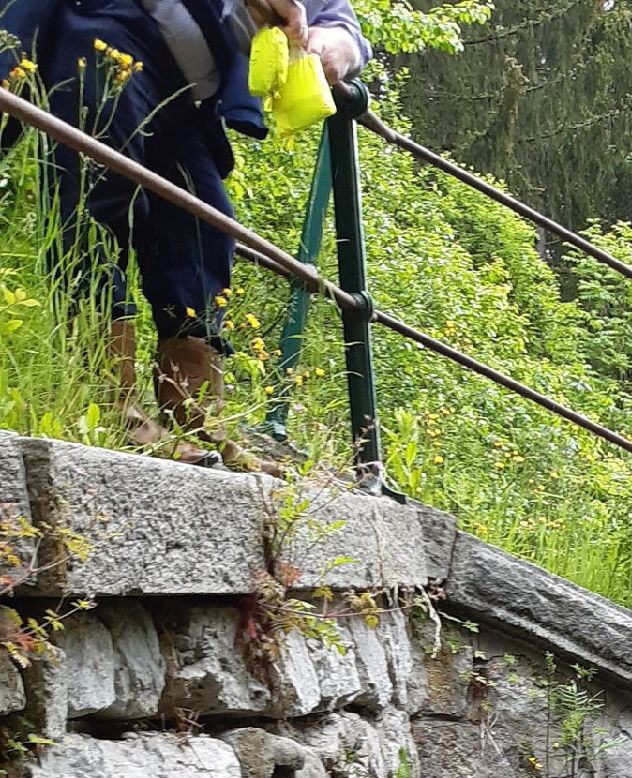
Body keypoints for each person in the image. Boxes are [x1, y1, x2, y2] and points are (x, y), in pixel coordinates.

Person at [1, 0, 367, 465]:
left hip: (185, 94)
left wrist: (332, 46)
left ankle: (194, 416)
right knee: (98, 198)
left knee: (206, 228)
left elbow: (343, 27)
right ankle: (109, 408)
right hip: (105, 32)